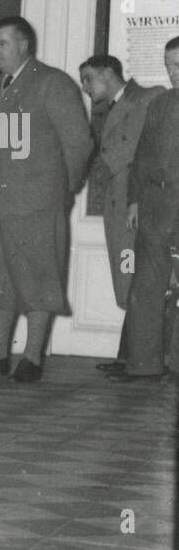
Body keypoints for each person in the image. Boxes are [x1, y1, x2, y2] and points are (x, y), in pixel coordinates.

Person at [0, 16, 93, 383]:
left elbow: (79, 143)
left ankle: (32, 358)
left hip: (37, 204)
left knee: (38, 280)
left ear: (24, 45)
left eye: (2, 43)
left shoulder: (53, 84)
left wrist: (62, 191)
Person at [78, 54, 165, 373]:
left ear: (108, 73)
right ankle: (130, 356)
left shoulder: (147, 97)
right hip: (120, 203)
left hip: (136, 202)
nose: (85, 87)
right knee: (131, 278)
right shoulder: (108, 109)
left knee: (140, 278)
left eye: (89, 78)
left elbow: (151, 152)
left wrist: (140, 198)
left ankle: (138, 358)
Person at [111, 35, 179, 382]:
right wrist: (135, 200)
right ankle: (143, 365)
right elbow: (140, 157)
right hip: (155, 205)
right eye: (168, 64)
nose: (172, 72)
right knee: (146, 288)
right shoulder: (159, 104)